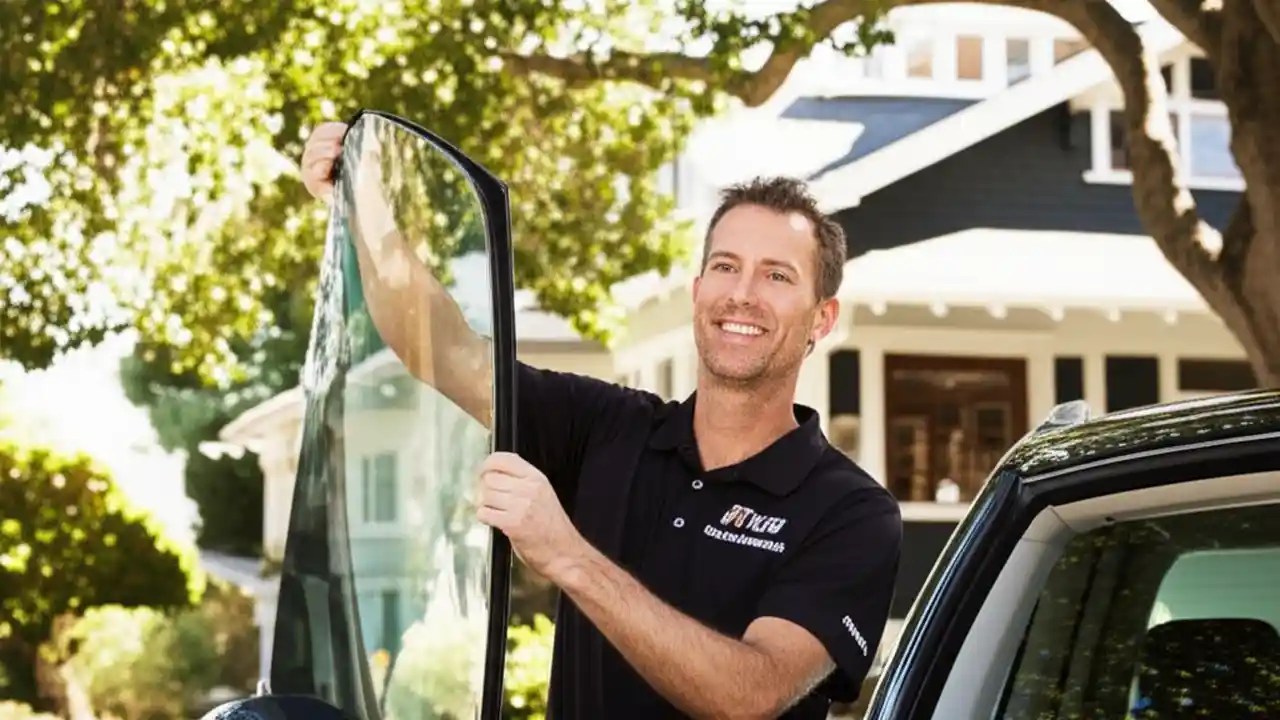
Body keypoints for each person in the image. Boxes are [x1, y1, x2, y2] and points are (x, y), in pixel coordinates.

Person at [301, 120, 903, 719]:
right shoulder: (608, 430)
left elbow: (750, 696)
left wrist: (568, 556)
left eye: (777, 275)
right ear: (697, 291)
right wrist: (363, 202)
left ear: (821, 319)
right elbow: (443, 349)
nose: (742, 294)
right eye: (725, 266)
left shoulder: (851, 513)